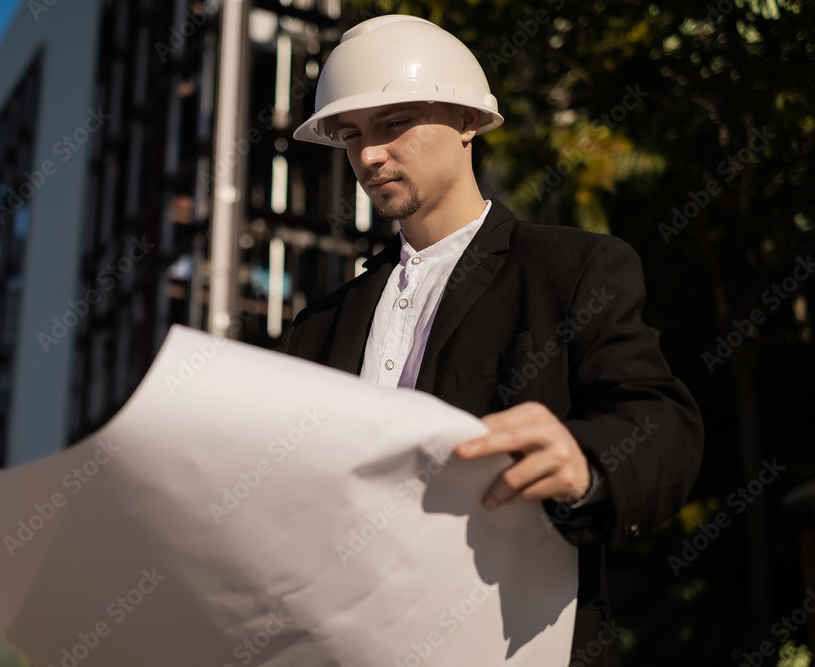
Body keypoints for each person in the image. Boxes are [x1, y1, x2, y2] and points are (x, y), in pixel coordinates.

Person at [281, 14, 704, 666]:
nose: (367, 155)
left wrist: (587, 463)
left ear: (469, 120)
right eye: (351, 134)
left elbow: (661, 423)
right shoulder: (317, 329)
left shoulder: (570, 271)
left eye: (393, 122)